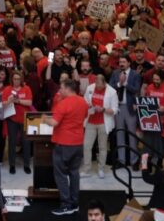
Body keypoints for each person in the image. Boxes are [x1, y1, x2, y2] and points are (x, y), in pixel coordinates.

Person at [45, 77, 87, 216]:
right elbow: (84, 117)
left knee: (61, 174)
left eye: (61, 88)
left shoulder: (63, 104)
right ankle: (74, 203)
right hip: (78, 143)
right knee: (74, 173)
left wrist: (45, 119)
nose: (59, 90)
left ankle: (66, 204)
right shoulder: (83, 101)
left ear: (68, 89)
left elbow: (54, 123)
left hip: (63, 143)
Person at [83, 72, 117, 177]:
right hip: (91, 121)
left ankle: (101, 169)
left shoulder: (112, 92)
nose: (97, 87)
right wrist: (88, 105)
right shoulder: (90, 88)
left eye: (100, 85)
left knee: (102, 147)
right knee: (86, 146)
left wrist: (103, 109)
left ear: (105, 83)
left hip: (103, 122)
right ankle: (86, 169)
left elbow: (115, 110)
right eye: (96, 84)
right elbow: (84, 101)